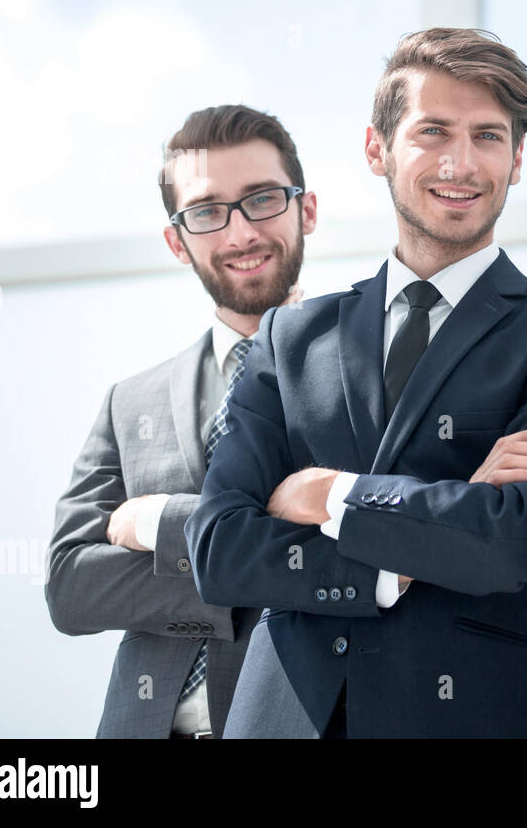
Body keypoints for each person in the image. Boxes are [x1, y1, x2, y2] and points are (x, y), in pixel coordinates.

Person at [185, 28, 527, 738]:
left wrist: (333, 493)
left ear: (517, 161)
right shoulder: (288, 338)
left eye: (488, 136)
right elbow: (220, 549)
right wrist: (408, 553)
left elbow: (519, 540)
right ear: (377, 149)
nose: (461, 161)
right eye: (433, 132)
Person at [47, 104, 317, 737]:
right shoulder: (130, 402)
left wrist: (160, 524)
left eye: (262, 199)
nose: (240, 232)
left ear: (306, 209)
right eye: (206, 212)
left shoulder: (373, 375)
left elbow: (360, 548)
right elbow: (72, 587)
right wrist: (243, 565)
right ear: (178, 240)